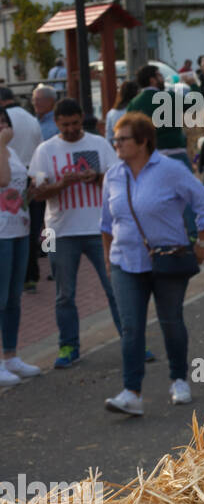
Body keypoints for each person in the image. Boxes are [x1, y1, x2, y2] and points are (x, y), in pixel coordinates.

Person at [100, 112, 204, 415]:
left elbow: (203, 201)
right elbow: (106, 223)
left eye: (123, 139)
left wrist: (203, 242)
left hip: (168, 259)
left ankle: (179, 379)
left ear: (143, 141)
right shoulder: (113, 175)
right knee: (131, 327)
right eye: (115, 139)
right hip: (125, 261)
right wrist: (107, 257)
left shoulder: (170, 170)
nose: (117, 144)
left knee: (171, 321)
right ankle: (131, 391)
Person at [27, 98, 124, 368]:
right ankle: (68, 346)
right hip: (58, 231)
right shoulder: (45, 150)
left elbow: (118, 180)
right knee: (64, 293)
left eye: (75, 123)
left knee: (116, 287)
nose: (71, 129)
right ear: (56, 123)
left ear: (82, 119)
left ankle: (131, 340)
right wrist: (62, 184)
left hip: (99, 228)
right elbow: (37, 194)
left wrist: (97, 177)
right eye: (65, 125)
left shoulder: (99, 144)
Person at [126, 64, 200, 241]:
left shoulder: (134, 104)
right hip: (176, 151)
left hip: (151, 156)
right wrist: (194, 84)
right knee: (187, 193)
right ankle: (193, 233)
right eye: (159, 75)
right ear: (153, 79)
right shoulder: (169, 97)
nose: (162, 79)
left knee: (157, 196)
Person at [0, 110, 40, 384]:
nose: (3, 126)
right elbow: (2, 180)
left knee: (14, 298)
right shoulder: (3, 150)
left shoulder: (11, 152)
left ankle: (11, 355)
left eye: (5, 121)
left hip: (19, 229)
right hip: (1, 234)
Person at [5, 88, 46, 292]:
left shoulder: (5, 124)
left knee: (13, 231)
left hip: (11, 184)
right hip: (32, 176)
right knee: (34, 228)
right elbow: (39, 152)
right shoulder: (31, 119)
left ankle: (16, 276)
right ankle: (31, 275)